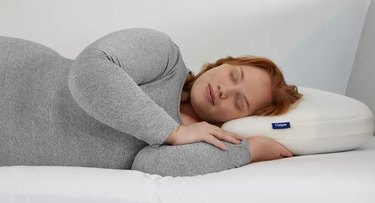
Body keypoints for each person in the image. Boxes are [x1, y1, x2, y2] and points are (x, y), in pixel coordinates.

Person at [0, 28, 301, 176]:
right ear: (222, 63)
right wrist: (172, 132)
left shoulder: (200, 140)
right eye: (234, 75)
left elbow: (146, 164)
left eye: (239, 102)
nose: (225, 90)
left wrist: (250, 149)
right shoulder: (165, 58)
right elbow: (89, 70)